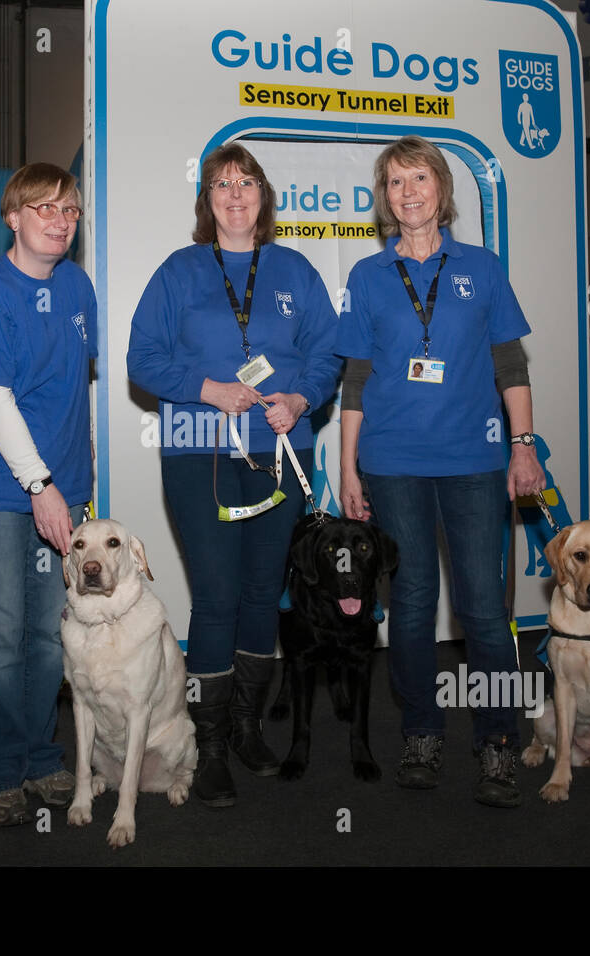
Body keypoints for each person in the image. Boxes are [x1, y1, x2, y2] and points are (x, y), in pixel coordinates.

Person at [127, 143, 340, 807]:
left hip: (282, 449)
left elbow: (327, 351)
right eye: (222, 184)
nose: (235, 193)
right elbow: (142, 358)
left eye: (247, 182)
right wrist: (208, 388)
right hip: (200, 451)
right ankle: (208, 739)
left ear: (264, 196)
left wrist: (302, 397)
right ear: (207, 201)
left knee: (261, 591)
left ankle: (248, 725)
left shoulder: (295, 270)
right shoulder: (179, 271)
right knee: (216, 594)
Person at [336, 135, 545, 808]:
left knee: (485, 609)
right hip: (392, 463)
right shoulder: (368, 277)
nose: (408, 192)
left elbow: (510, 365)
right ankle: (422, 734)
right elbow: (356, 380)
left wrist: (524, 444)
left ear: (442, 190)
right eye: (395, 182)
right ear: (385, 197)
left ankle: (498, 742)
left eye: (419, 178)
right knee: (414, 605)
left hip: (476, 461)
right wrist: (347, 466)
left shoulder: (482, 268)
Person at [0, 163, 96, 826]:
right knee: (2, 634)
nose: (59, 222)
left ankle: (39, 756)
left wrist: (75, 478)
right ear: (13, 216)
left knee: (46, 635)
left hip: (60, 488)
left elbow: (72, 392)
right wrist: (40, 485)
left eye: (69, 211)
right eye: (44, 210)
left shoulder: (77, 287)